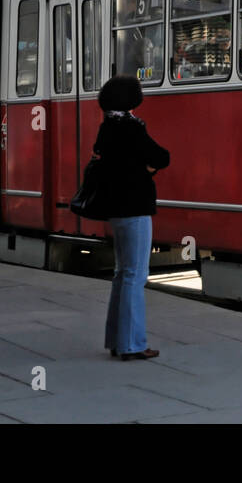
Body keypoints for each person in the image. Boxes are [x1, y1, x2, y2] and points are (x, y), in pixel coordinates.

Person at [97, 75, 171, 361]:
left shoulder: (107, 126)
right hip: (134, 206)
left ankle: (117, 340)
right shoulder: (130, 127)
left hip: (116, 208)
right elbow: (161, 157)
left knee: (121, 273)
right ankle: (131, 344)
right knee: (134, 275)